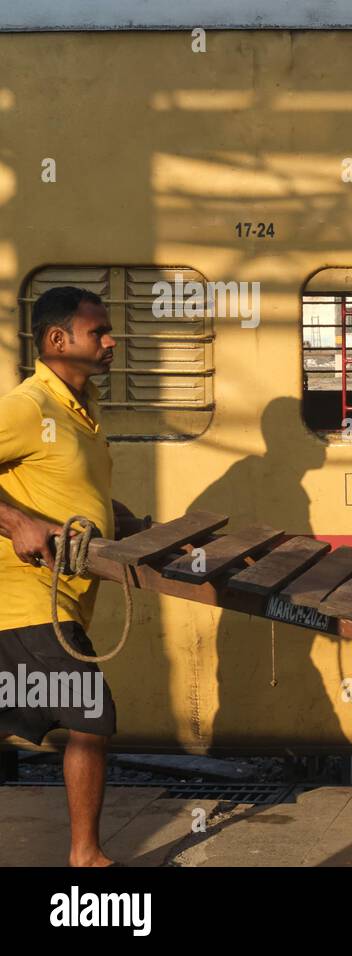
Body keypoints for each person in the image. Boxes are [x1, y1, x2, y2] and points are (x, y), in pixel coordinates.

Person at [0, 286, 148, 867]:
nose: (112, 342)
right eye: (99, 333)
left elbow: (72, 491)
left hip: (61, 597)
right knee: (90, 715)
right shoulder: (30, 405)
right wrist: (15, 521)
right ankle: (85, 855)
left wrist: (127, 521)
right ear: (57, 341)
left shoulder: (80, 410)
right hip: (26, 596)